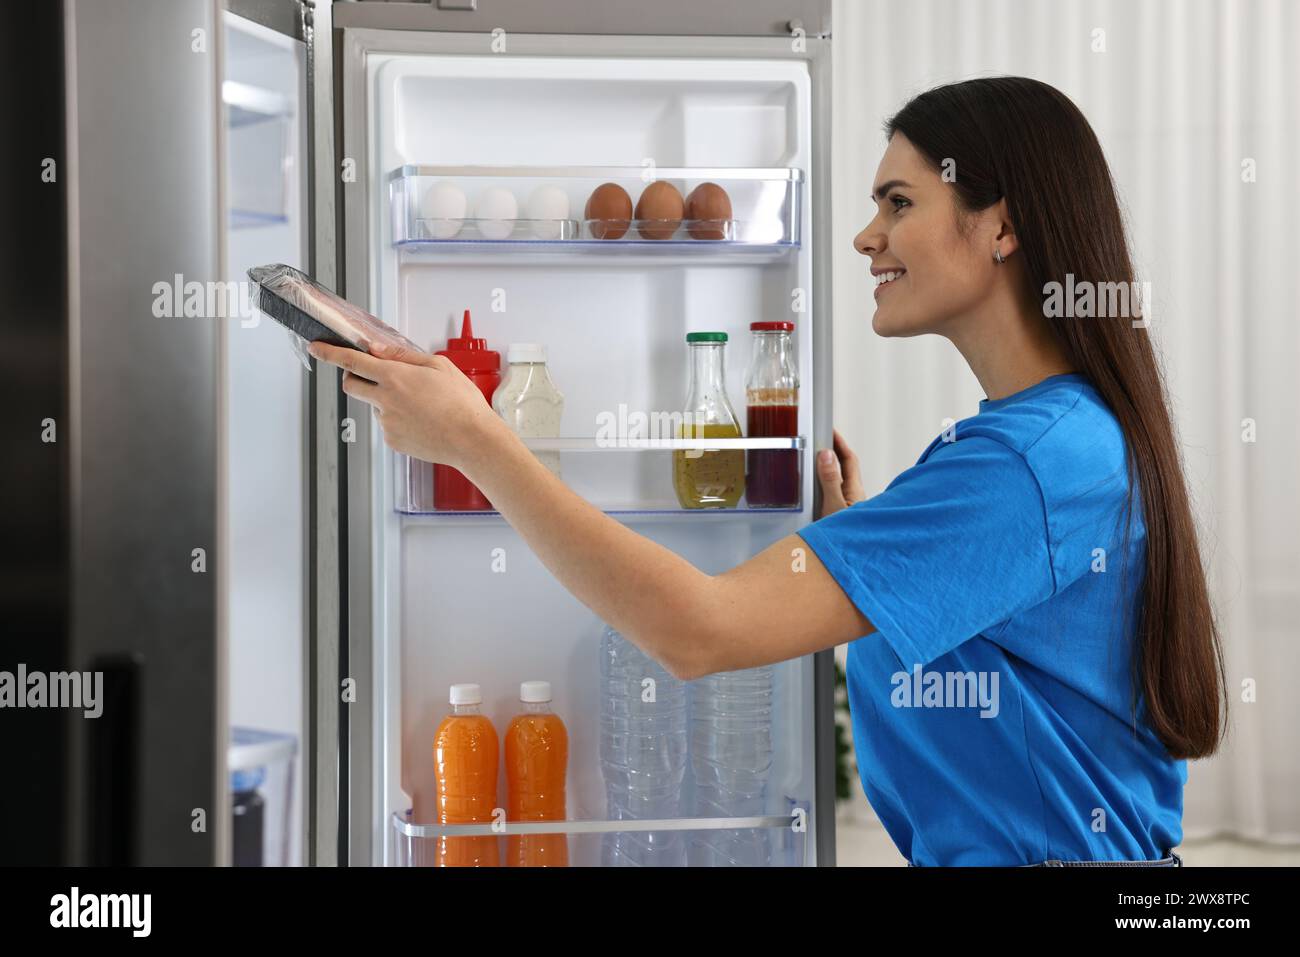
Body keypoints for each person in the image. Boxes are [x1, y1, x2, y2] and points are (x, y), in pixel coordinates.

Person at [308, 76, 1227, 867]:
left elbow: (695, 632)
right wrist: (861, 540)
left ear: (1001, 227)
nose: (867, 237)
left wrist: (478, 442)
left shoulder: (1021, 467)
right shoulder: (1048, 445)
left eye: (899, 203)